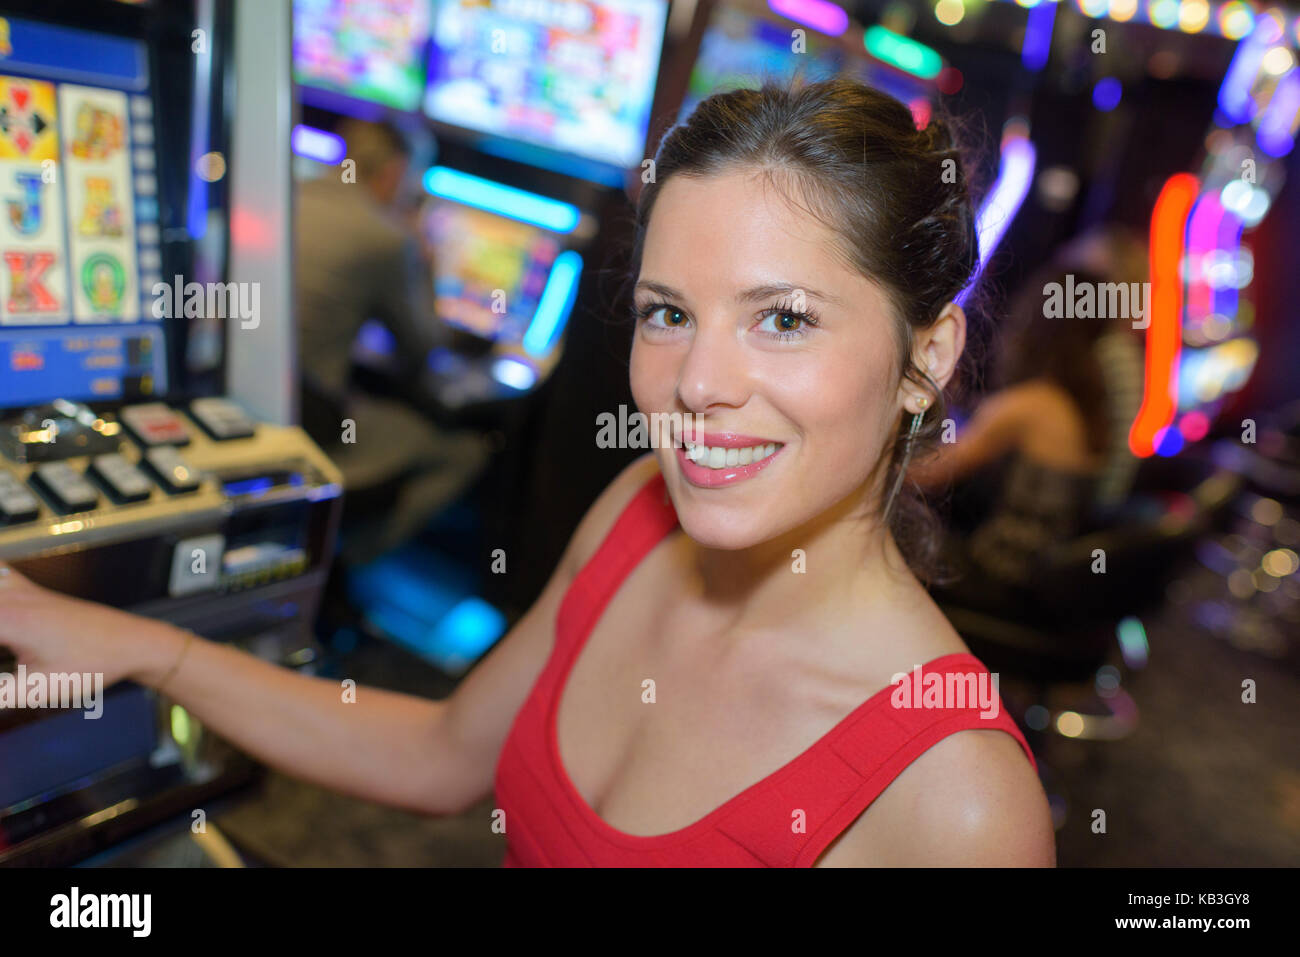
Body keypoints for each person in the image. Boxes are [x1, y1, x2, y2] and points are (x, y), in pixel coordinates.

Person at [0, 77, 1055, 866]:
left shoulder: (957, 799)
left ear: (927, 357)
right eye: (668, 314)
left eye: (783, 319)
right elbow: (440, 756)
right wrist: (143, 646)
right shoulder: (639, 514)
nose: (696, 385)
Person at [294, 118, 488, 562]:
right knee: (464, 452)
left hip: (254, 399)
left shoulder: (292, 195)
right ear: (396, 171)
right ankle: (340, 566)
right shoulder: (385, 238)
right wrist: (428, 262)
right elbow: (426, 349)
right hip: (310, 423)